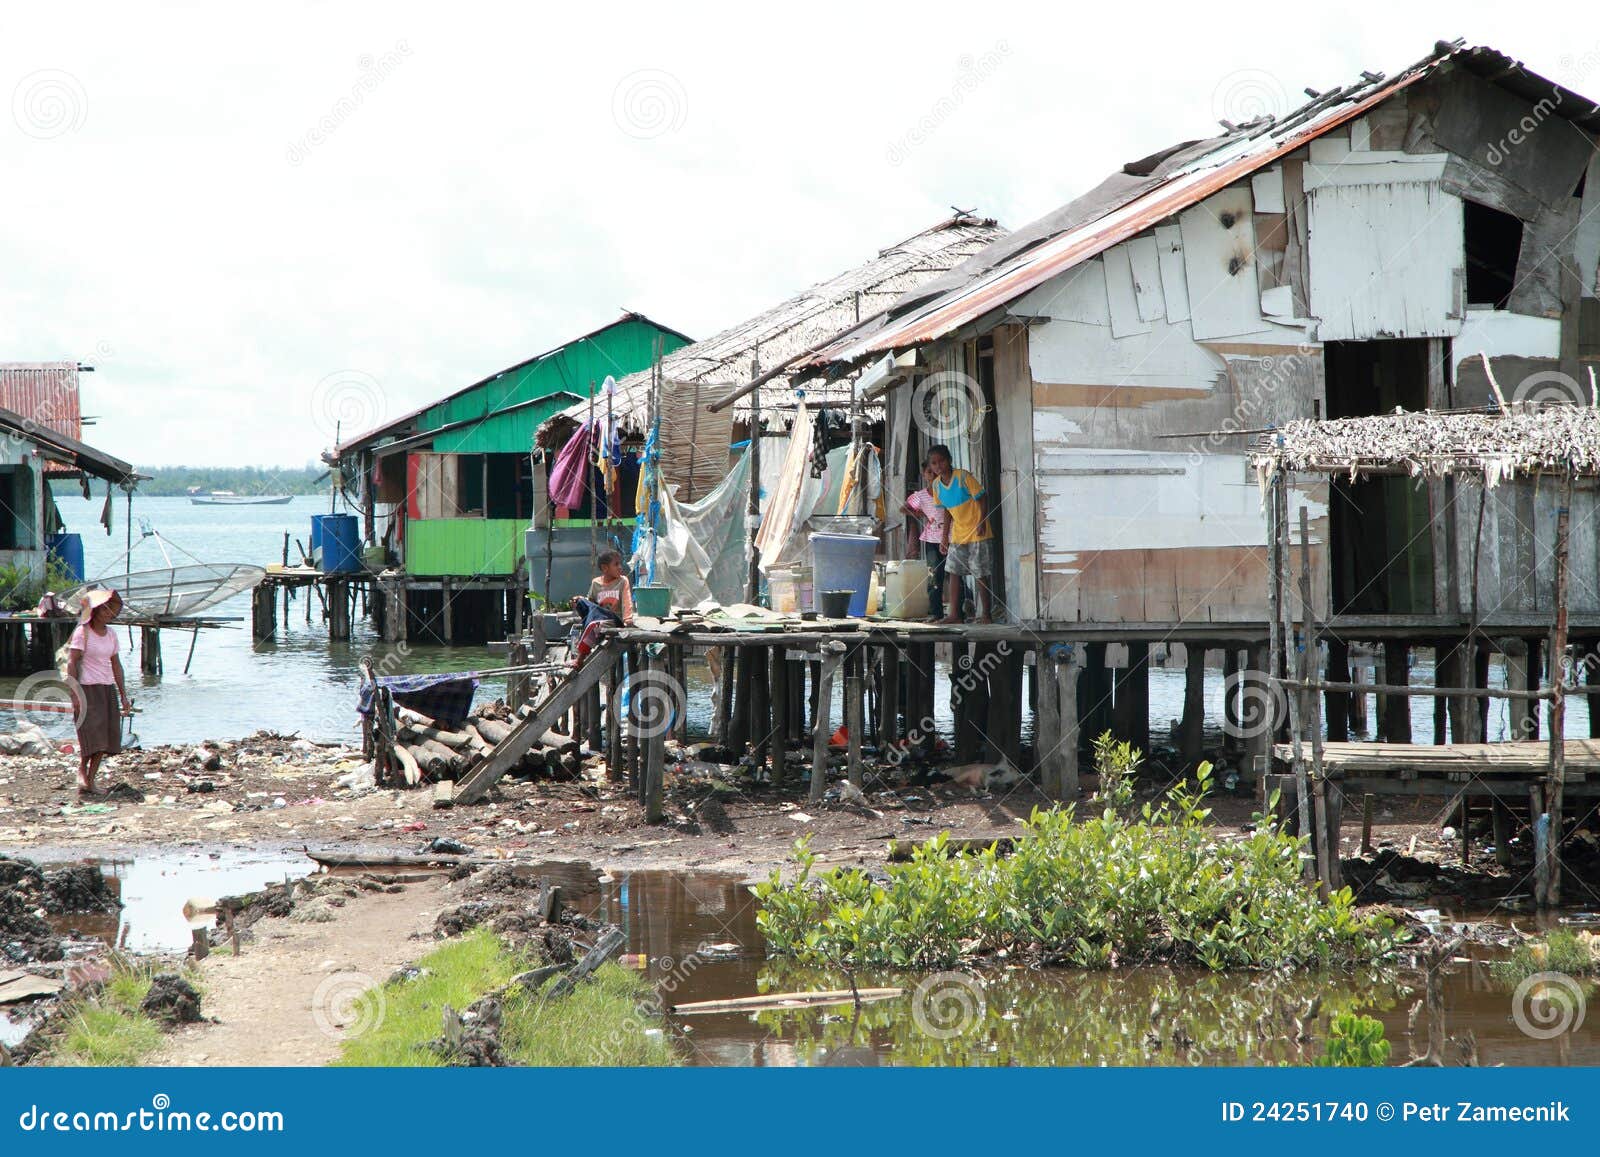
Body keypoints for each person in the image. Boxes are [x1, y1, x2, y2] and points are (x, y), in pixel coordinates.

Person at [65, 589, 133, 796]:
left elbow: (116, 666)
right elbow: (72, 663)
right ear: (94, 611)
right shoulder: (83, 632)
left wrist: (123, 695)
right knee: (90, 734)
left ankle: (91, 780)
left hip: (106, 688)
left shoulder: (111, 634)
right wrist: (74, 693)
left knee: (104, 738)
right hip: (87, 688)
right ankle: (82, 770)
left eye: (110, 610)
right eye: (104, 609)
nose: (108, 613)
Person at [928, 444, 995, 624]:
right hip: (958, 534)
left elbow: (982, 497)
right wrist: (944, 537)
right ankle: (954, 615)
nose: (938, 466)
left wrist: (982, 521)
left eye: (941, 461)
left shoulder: (963, 477)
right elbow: (947, 511)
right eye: (934, 463)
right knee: (953, 571)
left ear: (949, 460)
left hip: (977, 532)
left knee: (980, 572)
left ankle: (986, 614)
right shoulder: (936, 485)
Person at [900, 460, 949, 620]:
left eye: (934, 471)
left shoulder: (947, 492)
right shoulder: (921, 496)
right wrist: (922, 514)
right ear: (924, 475)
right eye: (929, 472)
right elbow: (904, 508)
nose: (932, 475)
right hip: (932, 539)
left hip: (951, 537)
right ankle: (936, 612)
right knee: (933, 575)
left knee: (955, 574)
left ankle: (959, 611)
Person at [571, 549, 636, 660]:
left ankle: (580, 656)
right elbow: (590, 603)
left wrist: (628, 619)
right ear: (605, 568)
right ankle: (591, 627)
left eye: (620, 564)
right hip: (597, 618)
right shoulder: (596, 583)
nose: (620, 567)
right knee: (581, 602)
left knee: (595, 614)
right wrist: (579, 600)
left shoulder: (622, 581)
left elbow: (627, 601)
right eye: (616, 564)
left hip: (613, 620)